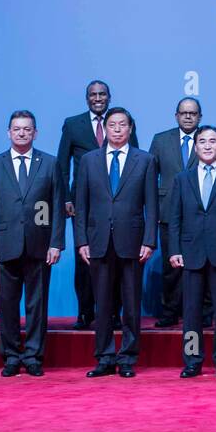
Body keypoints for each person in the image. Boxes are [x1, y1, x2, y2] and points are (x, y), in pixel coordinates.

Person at [73, 107, 158, 378]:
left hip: (132, 241)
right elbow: (81, 205)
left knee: (132, 304)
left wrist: (149, 240)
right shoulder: (88, 160)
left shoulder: (144, 160)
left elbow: (152, 205)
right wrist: (81, 241)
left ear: (130, 129)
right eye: (113, 124)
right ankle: (105, 357)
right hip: (98, 241)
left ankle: (128, 358)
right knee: (103, 304)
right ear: (105, 129)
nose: (118, 129)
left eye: (123, 125)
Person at [0, 111, 65, 377]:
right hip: (4, 246)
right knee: (7, 304)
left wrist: (56, 243)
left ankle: (34, 356)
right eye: (17, 129)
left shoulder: (49, 164)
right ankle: (11, 356)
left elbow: (57, 207)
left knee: (37, 305)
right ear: (8, 132)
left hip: (39, 246)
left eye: (27, 129)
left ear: (35, 133)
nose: (22, 133)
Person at [56, 80, 138, 330]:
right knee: (86, 259)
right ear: (86, 98)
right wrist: (66, 199)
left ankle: (113, 313)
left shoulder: (122, 122)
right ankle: (84, 312)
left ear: (109, 97)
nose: (98, 98)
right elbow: (62, 164)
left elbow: (134, 159)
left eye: (102, 94)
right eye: (93, 94)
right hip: (83, 202)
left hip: (116, 200)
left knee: (115, 257)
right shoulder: (73, 124)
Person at [167, 126, 216, 379]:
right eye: (202, 141)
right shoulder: (182, 178)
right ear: (196, 147)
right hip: (190, 253)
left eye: (213, 141)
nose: (208, 146)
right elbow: (174, 218)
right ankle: (192, 360)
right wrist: (174, 249)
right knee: (191, 313)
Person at [149, 97, 205, 329]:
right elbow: (150, 177)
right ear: (176, 116)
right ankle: (170, 311)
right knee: (171, 267)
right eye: (184, 113)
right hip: (168, 211)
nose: (188, 116)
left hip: (201, 213)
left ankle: (203, 312)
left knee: (202, 264)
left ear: (200, 117)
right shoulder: (161, 140)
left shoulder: (209, 138)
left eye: (193, 113)